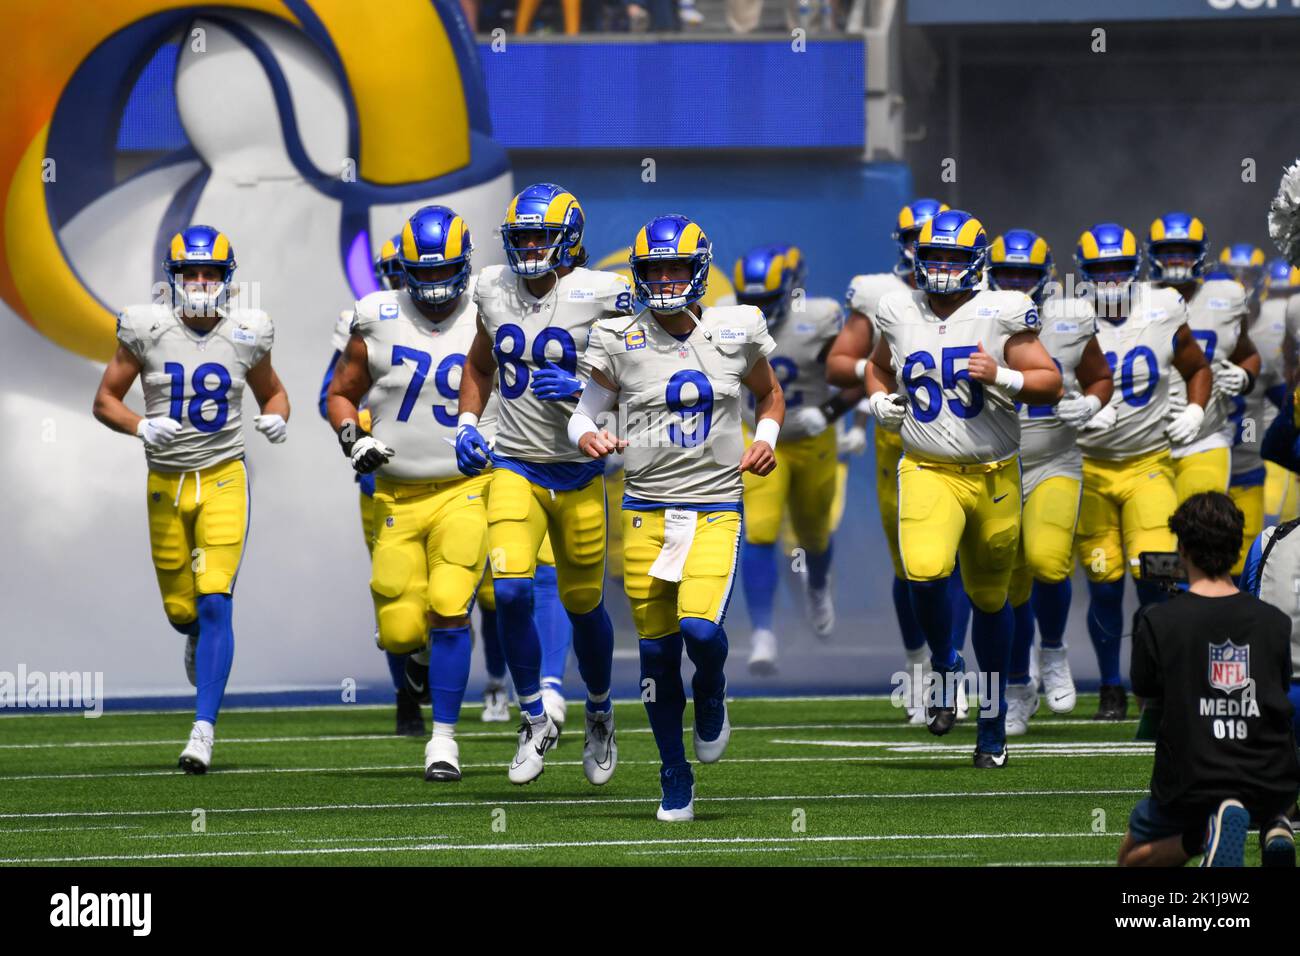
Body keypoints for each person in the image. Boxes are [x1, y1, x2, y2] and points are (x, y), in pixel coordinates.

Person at [570, 213, 783, 820]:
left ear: (696, 269)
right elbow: (584, 412)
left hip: (716, 505)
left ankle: (711, 690)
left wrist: (766, 435)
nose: (663, 280)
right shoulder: (619, 338)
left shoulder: (734, 329)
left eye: (674, 267)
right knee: (658, 655)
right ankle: (672, 771)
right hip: (645, 511)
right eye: (653, 268)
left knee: (700, 632)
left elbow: (770, 393)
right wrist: (587, 434)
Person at [863, 209, 1063, 766]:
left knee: (991, 599)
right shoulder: (898, 309)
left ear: (975, 260)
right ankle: (948, 664)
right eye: (934, 256)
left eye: (953, 257)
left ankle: (993, 724)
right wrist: (878, 398)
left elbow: (1050, 383)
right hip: (926, 467)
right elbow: (877, 367)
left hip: (995, 472)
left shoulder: (1000, 313)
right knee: (924, 572)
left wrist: (1000, 375)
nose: (942, 267)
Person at [92, 225, 289, 773]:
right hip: (166, 482)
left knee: (215, 598)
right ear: (173, 279)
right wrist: (138, 427)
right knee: (183, 613)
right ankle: (195, 638)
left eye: (210, 274)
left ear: (228, 280)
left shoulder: (247, 331)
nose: (200, 284)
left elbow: (273, 391)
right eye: (190, 273)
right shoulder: (146, 329)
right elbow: (105, 399)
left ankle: (202, 729)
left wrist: (276, 416)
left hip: (224, 477)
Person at [457, 183, 631, 785]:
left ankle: (601, 710)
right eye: (522, 236)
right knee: (509, 592)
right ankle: (534, 715)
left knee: (585, 608)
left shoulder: (603, 294)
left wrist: (590, 396)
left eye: (541, 236)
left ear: (569, 241)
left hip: (580, 475)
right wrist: (465, 423)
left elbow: (645, 376)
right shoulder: (494, 289)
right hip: (515, 465)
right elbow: (480, 365)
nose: (529, 247)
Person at [326, 206, 489, 783]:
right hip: (395, 493)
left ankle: (443, 740)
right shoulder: (376, 317)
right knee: (399, 628)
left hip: (467, 488)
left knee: (450, 606)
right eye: (426, 271)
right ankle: (419, 664)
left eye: (447, 270)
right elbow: (341, 395)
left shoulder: (490, 309)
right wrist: (354, 441)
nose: (438, 285)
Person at [827, 199, 970, 724]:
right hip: (906, 442)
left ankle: (958, 671)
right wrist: (882, 380)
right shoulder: (881, 294)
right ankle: (920, 666)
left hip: (973, 439)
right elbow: (840, 363)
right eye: (915, 237)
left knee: (967, 564)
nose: (923, 248)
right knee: (915, 565)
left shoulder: (979, 289)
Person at [1074, 222, 1211, 720]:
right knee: (1103, 582)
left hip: (1148, 464)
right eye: (1099, 269)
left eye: (1117, 267)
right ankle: (1111, 685)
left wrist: (1195, 410)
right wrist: (1082, 402)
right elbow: (1041, 383)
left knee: (1157, 577)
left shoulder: (1162, 305)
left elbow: (1197, 366)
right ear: (1082, 273)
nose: (1109, 278)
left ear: (1135, 269)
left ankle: (1153, 683)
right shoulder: (1063, 317)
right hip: (1088, 468)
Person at [1118, 492, 1298, 867]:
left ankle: (1200, 838)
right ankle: (1276, 821)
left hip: (1191, 780)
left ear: (1182, 549)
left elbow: (1148, 709)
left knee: (1130, 860)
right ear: (1237, 548)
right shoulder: (1275, 624)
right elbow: (1275, 698)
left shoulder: (1157, 621)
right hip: (1269, 778)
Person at [988, 230, 1113, 733]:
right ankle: (1018, 684)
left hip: (1055, 460)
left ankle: (1056, 650)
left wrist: (1092, 402)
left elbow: (1099, 376)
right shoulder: (975, 315)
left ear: (1046, 277)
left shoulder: (1070, 317)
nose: (1017, 283)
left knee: (1047, 560)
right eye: (1008, 272)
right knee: (1009, 583)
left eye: (1026, 274)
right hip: (995, 462)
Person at [734, 243, 858, 673]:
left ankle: (818, 585)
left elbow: (863, 378)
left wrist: (825, 414)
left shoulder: (821, 318)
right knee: (761, 531)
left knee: (814, 535)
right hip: (760, 438)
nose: (759, 310)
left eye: (767, 301)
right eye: (750, 301)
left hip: (812, 442)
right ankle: (763, 634)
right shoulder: (726, 322)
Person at [1147, 214, 1259, 504]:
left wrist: (1246, 376)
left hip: (1207, 436)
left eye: (1184, 251)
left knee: (1202, 532)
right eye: (1168, 252)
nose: (1176, 260)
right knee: (1154, 543)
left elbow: (1247, 353)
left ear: (1200, 254)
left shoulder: (1229, 295)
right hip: (1145, 445)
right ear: (1153, 254)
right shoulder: (1137, 298)